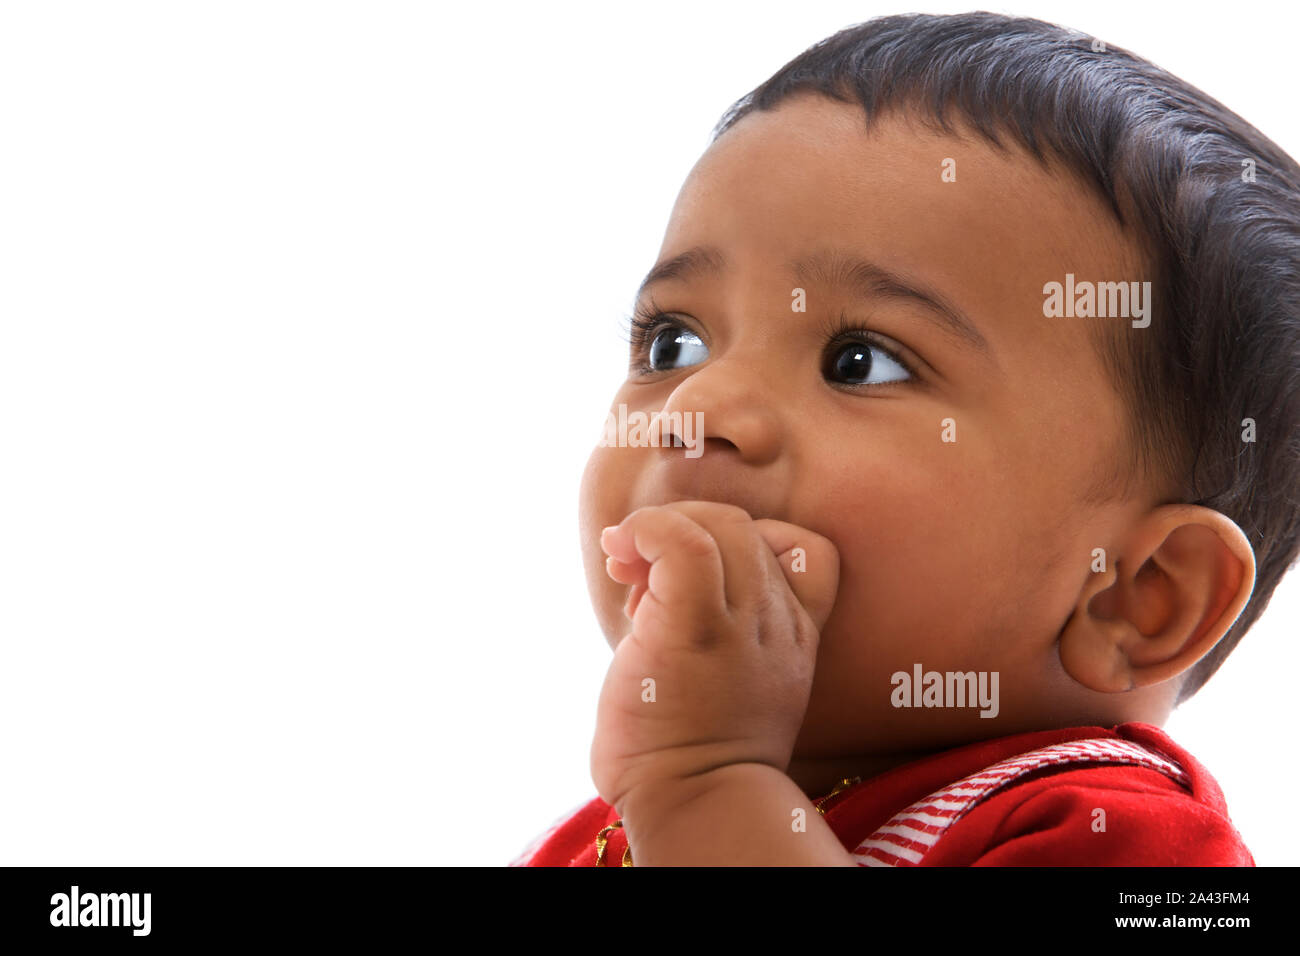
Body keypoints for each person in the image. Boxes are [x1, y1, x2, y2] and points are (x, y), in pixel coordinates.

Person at [515, 11, 1298, 866]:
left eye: (860, 363)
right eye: (674, 343)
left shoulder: (1131, 839)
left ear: (1136, 594)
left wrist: (706, 787)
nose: (700, 405)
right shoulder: (600, 833)